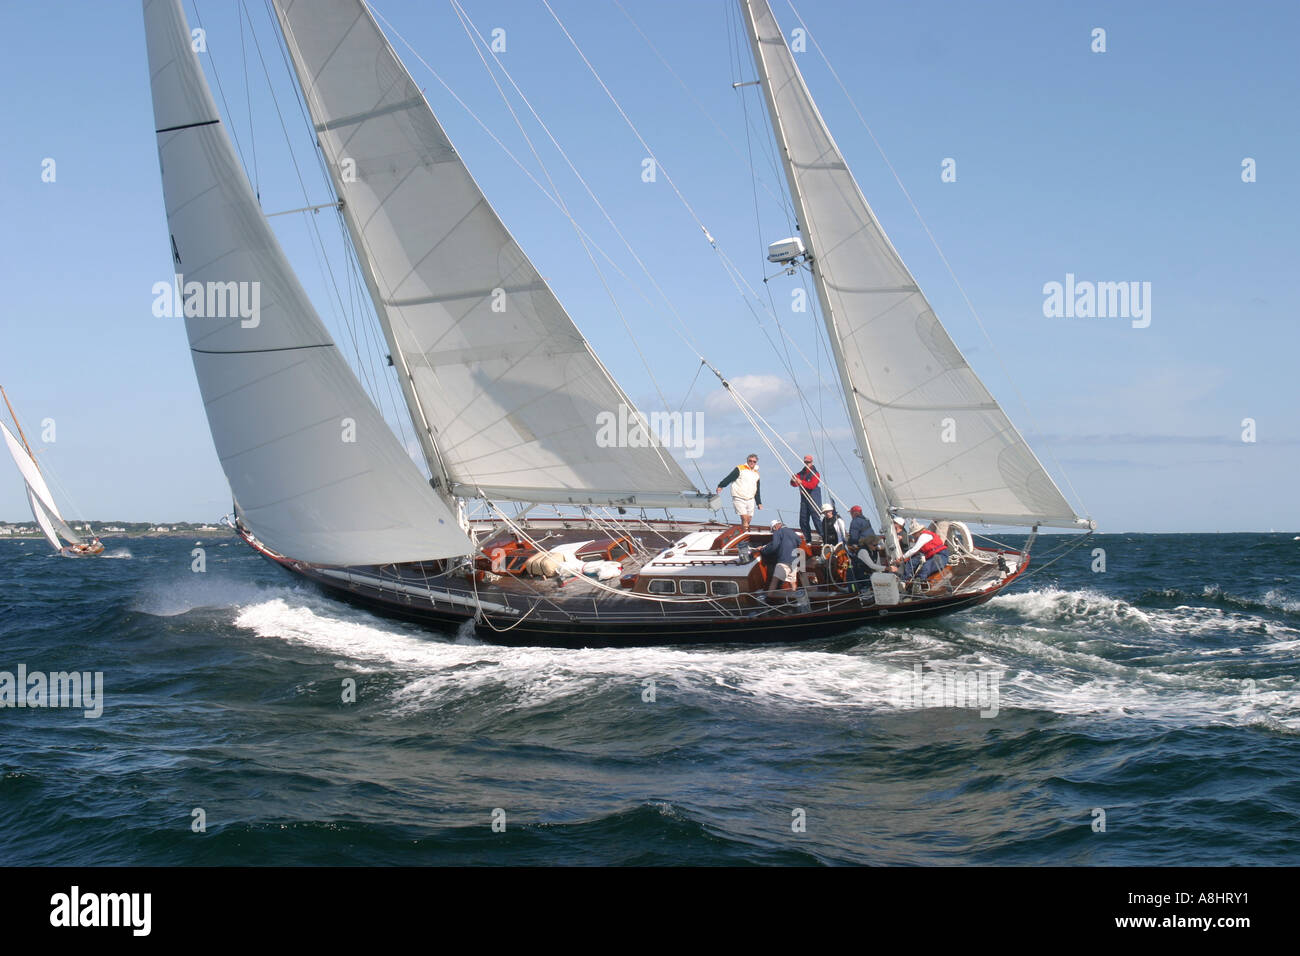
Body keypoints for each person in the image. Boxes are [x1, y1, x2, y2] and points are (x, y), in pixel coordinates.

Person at [894, 517, 950, 583]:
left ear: (918, 532)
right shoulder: (922, 536)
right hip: (932, 556)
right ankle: (906, 579)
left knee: (926, 567)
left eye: (914, 534)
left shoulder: (924, 536)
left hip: (940, 555)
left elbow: (915, 549)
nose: (914, 536)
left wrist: (902, 558)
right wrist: (906, 560)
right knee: (912, 563)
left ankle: (919, 583)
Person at [716, 454, 762, 532]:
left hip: (750, 499)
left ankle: (741, 533)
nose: (751, 463)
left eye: (754, 461)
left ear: (756, 462)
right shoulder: (740, 468)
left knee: (748, 519)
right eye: (750, 461)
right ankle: (745, 537)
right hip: (739, 497)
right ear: (747, 461)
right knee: (744, 518)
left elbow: (757, 489)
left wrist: (759, 503)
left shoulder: (756, 473)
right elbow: (730, 477)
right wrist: (721, 486)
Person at [761, 518, 802, 591]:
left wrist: (763, 550)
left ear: (774, 527)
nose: (773, 532)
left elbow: (774, 546)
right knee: (792, 582)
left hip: (783, 561)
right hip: (794, 562)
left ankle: (769, 597)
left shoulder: (777, 532)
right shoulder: (791, 531)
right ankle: (795, 597)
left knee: (774, 580)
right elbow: (799, 541)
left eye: (773, 530)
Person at [789, 455, 822, 543]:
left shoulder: (815, 473)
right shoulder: (801, 473)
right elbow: (794, 484)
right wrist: (793, 480)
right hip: (804, 499)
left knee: (816, 519)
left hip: (813, 498)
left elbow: (812, 485)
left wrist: (801, 482)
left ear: (812, 462)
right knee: (803, 520)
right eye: (806, 462)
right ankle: (808, 540)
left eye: (809, 462)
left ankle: (824, 537)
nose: (807, 464)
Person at [846, 505, 877, 587]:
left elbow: (854, 537)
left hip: (863, 548)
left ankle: (861, 588)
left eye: (851, 513)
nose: (851, 515)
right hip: (872, 549)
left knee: (854, 569)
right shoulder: (866, 520)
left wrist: (848, 544)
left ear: (855, 513)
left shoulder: (855, 521)